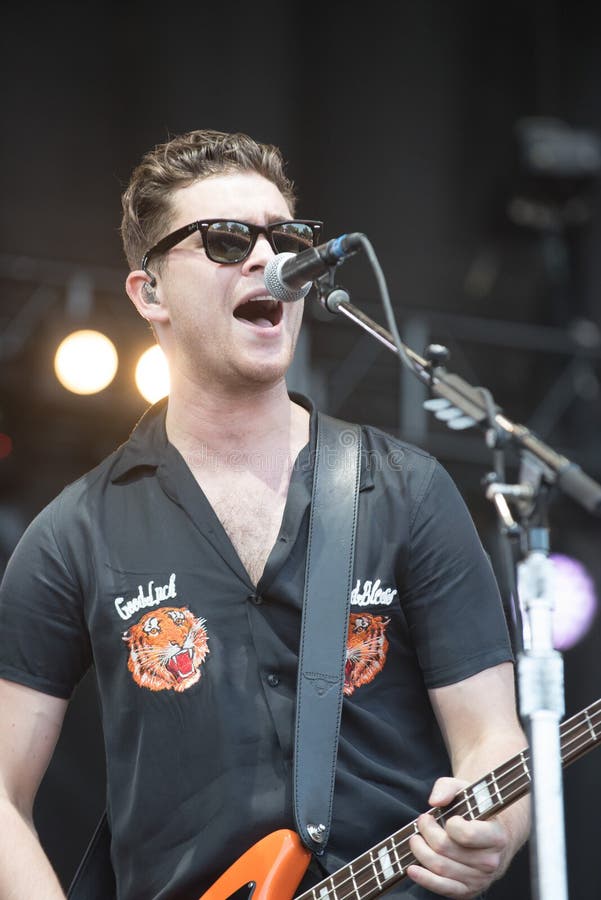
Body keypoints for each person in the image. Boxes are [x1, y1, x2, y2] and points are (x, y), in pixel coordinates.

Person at [0, 128, 530, 900]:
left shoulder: (406, 489)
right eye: (225, 240)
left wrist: (493, 834)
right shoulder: (74, 532)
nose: (266, 258)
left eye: (284, 238)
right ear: (150, 294)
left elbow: (490, 737)